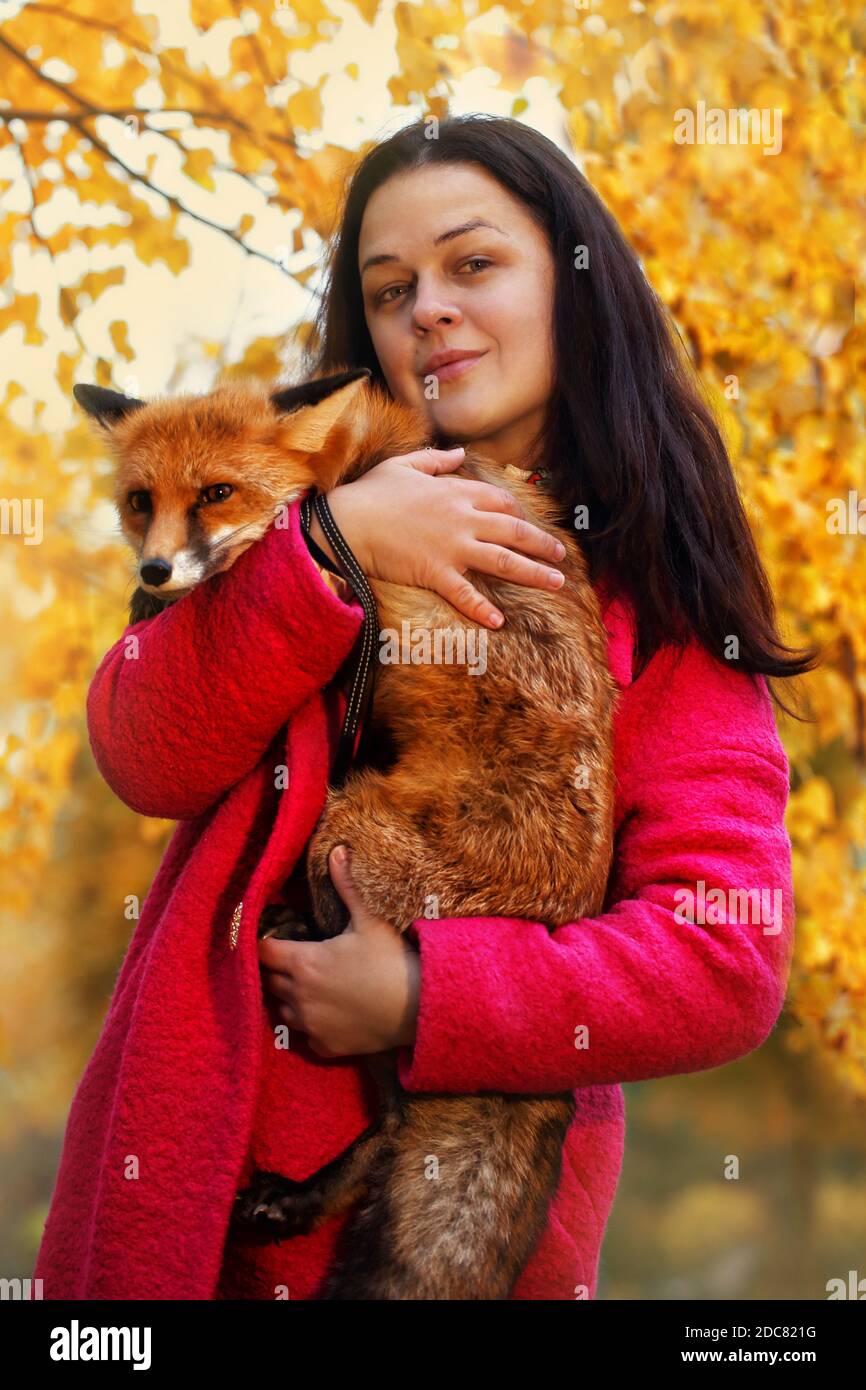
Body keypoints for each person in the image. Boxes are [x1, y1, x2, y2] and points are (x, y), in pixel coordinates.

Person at [34, 115, 819, 1302]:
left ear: (575, 283)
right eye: (389, 287)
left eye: (473, 264)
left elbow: (719, 958)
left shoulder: (659, 599)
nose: (427, 311)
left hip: (446, 1206)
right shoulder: (274, 503)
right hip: (191, 1174)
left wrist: (421, 993)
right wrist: (338, 545)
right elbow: (146, 750)